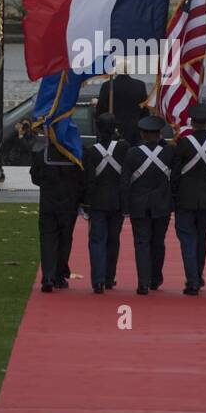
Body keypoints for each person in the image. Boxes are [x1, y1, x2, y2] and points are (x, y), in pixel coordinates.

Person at [171, 103, 206, 296]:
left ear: (192, 122)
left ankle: (192, 279)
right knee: (202, 241)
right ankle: (197, 275)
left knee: (187, 241)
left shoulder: (183, 143)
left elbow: (175, 175)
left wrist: (173, 196)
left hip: (185, 199)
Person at [120, 115, 173, 294]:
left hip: (139, 204)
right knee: (158, 242)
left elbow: (125, 181)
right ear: (159, 134)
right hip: (162, 204)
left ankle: (143, 282)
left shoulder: (132, 152)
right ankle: (155, 279)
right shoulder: (168, 152)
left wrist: (125, 206)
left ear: (142, 134)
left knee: (142, 243)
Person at [30, 128, 84, 292]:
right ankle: (59, 276)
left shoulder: (42, 153)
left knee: (47, 240)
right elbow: (81, 179)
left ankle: (48, 276)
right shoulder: (75, 154)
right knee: (65, 239)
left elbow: (35, 177)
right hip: (68, 203)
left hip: (48, 202)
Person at [82, 115, 126, 294]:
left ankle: (98, 280)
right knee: (113, 241)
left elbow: (89, 181)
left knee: (97, 241)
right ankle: (109, 277)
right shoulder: (123, 148)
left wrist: (86, 203)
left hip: (98, 202)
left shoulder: (91, 152)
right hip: (117, 202)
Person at [95, 61, 148, 147]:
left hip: (112, 131)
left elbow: (100, 110)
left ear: (117, 70)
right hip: (134, 132)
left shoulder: (107, 85)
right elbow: (145, 111)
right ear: (130, 70)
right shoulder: (140, 85)